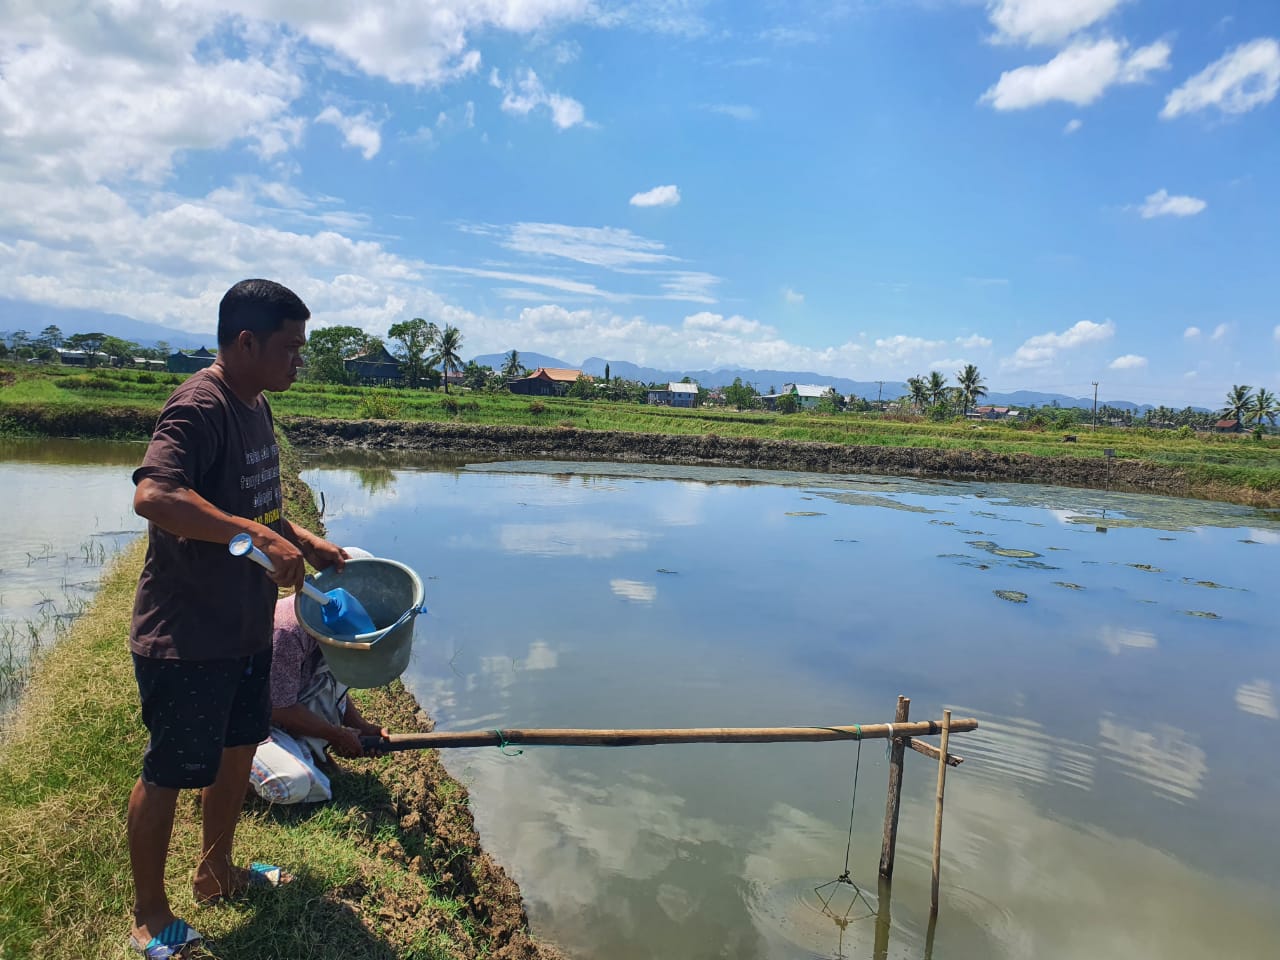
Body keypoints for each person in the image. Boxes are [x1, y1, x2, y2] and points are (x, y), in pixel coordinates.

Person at [127, 279, 347, 959]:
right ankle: (150, 915)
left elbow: (253, 505)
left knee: (236, 754)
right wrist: (253, 541)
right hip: (189, 633)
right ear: (246, 342)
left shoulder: (255, 406)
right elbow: (156, 496)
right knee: (171, 769)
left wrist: (299, 538)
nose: (298, 362)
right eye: (290, 348)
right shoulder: (200, 404)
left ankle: (216, 873)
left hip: (245, 627)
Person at [250, 551, 390, 805]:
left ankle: (308, 752)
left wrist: (359, 726)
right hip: (249, 719)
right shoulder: (287, 632)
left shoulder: (333, 626)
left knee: (340, 669)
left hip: (281, 700)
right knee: (297, 784)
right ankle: (236, 776)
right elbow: (278, 708)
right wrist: (336, 735)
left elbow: (330, 684)